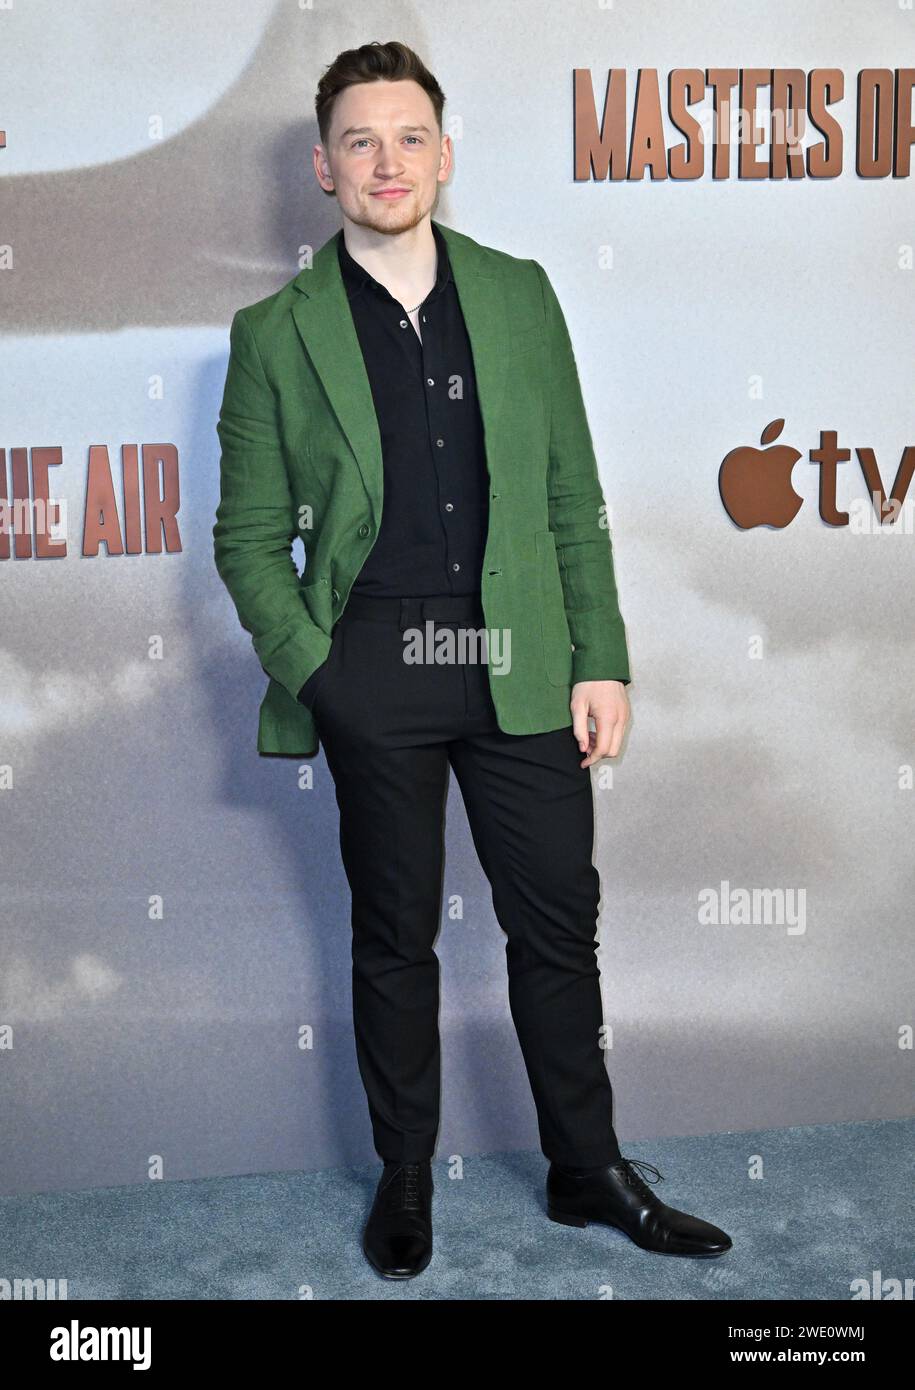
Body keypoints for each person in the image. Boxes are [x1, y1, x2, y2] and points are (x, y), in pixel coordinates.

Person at [213, 39, 732, 1279]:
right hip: (370, 669)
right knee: (394, 935)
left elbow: (572, 493)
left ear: (444, 157)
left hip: (520, 658)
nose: (386, 162)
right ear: (328, 174)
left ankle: (586, 1169)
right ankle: (405, 1178)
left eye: (408, 138)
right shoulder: (273, 332)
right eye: (359, 141)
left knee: (559, 926)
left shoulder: (519, 293)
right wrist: (319, 672)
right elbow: (243, 536)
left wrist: (598, 656)